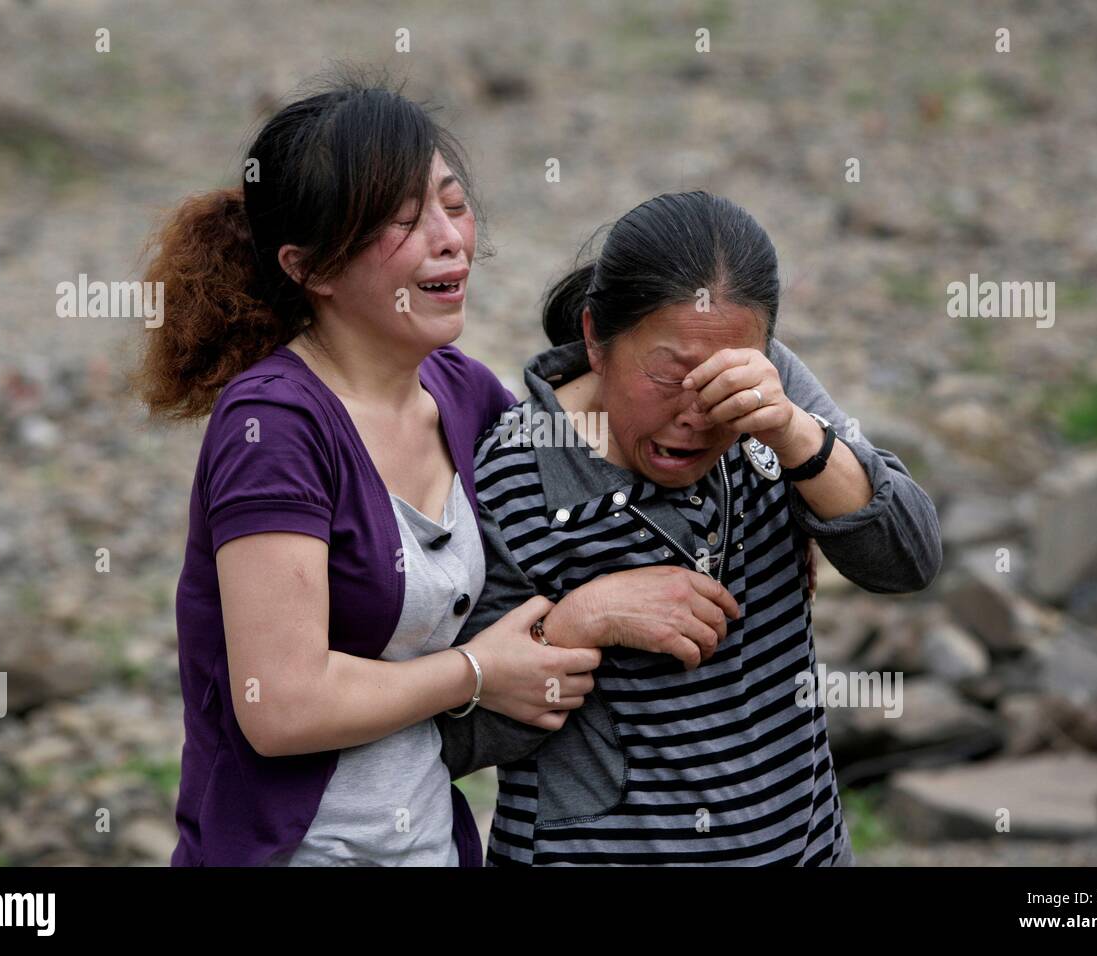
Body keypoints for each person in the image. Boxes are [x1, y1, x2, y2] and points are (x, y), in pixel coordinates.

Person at [136, 73, 734, 867]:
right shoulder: (273, 427)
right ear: (308, 267)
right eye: (402, 221)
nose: (449, 239)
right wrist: (477, 671)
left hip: (428, 844)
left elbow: (603, 465)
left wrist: (768, 483)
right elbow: (279, 705)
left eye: (453, 205)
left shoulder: (464, 395)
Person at [437, 190, 943, 865]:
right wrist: (579, 622)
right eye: (668, 373)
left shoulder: (770, 396)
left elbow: (908, 562)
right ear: (594, 337)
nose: (697, 413)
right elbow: (457, 735)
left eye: (721, 378)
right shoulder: (515, 476)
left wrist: (796, 435)